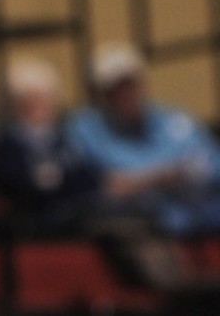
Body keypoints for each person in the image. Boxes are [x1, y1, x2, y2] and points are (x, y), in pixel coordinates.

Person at [67, 43, 220, 236]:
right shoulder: (85, 129)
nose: (126, 94)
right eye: (115, 89)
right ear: (100, 94)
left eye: (131, 85)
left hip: (199, 212)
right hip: (136, 224)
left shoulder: (176, 120)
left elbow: (212, 165)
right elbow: (99, 187)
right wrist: (160, 177)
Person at [0, 56, 100, 229]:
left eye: (46, 97)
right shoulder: (9, 144)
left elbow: (87, 179)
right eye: (31, 98)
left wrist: (55, 180)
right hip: (30, 222)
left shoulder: (66, 140)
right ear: (15, 104)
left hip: (75, 215)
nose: (40, 105)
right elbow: (13, 182)